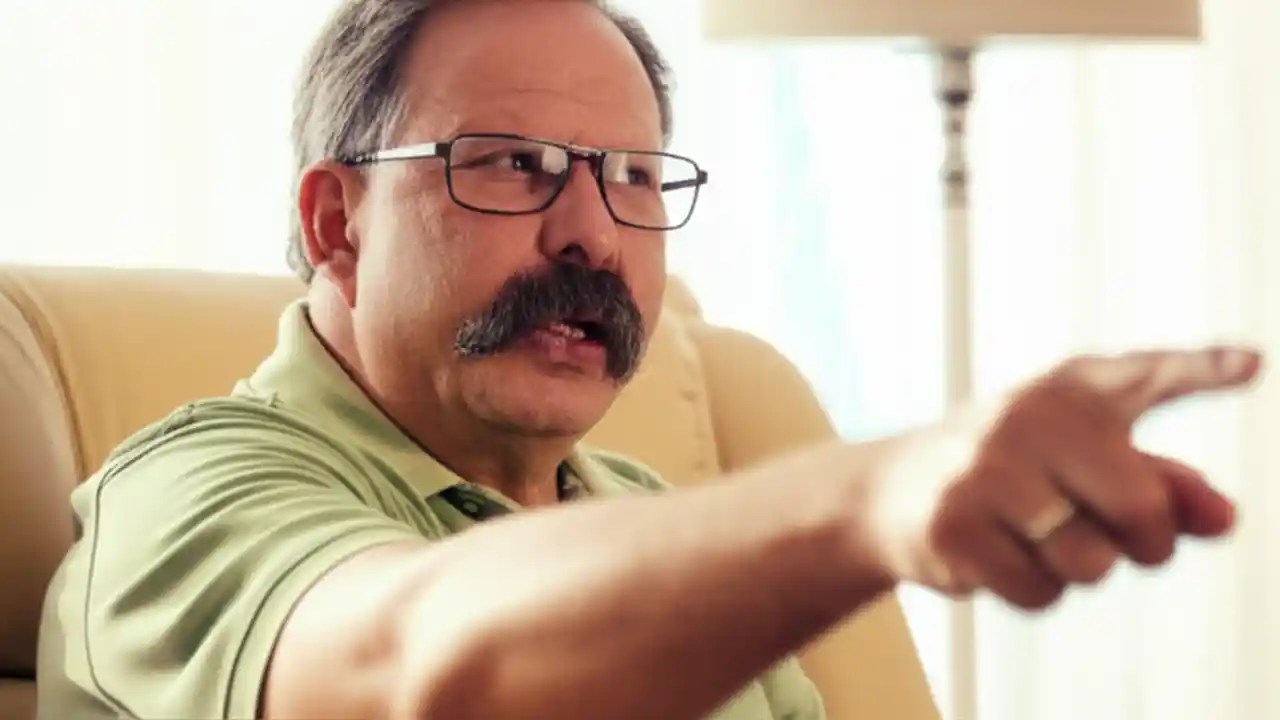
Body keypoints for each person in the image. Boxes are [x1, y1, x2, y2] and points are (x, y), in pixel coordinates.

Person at [36, 1, 1263, 718]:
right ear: (334, 224)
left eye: (631, 177)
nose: (590, 234)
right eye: (513, 164)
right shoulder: (183, 497)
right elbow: (423, 668)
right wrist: (870, 497)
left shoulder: (652, 523)